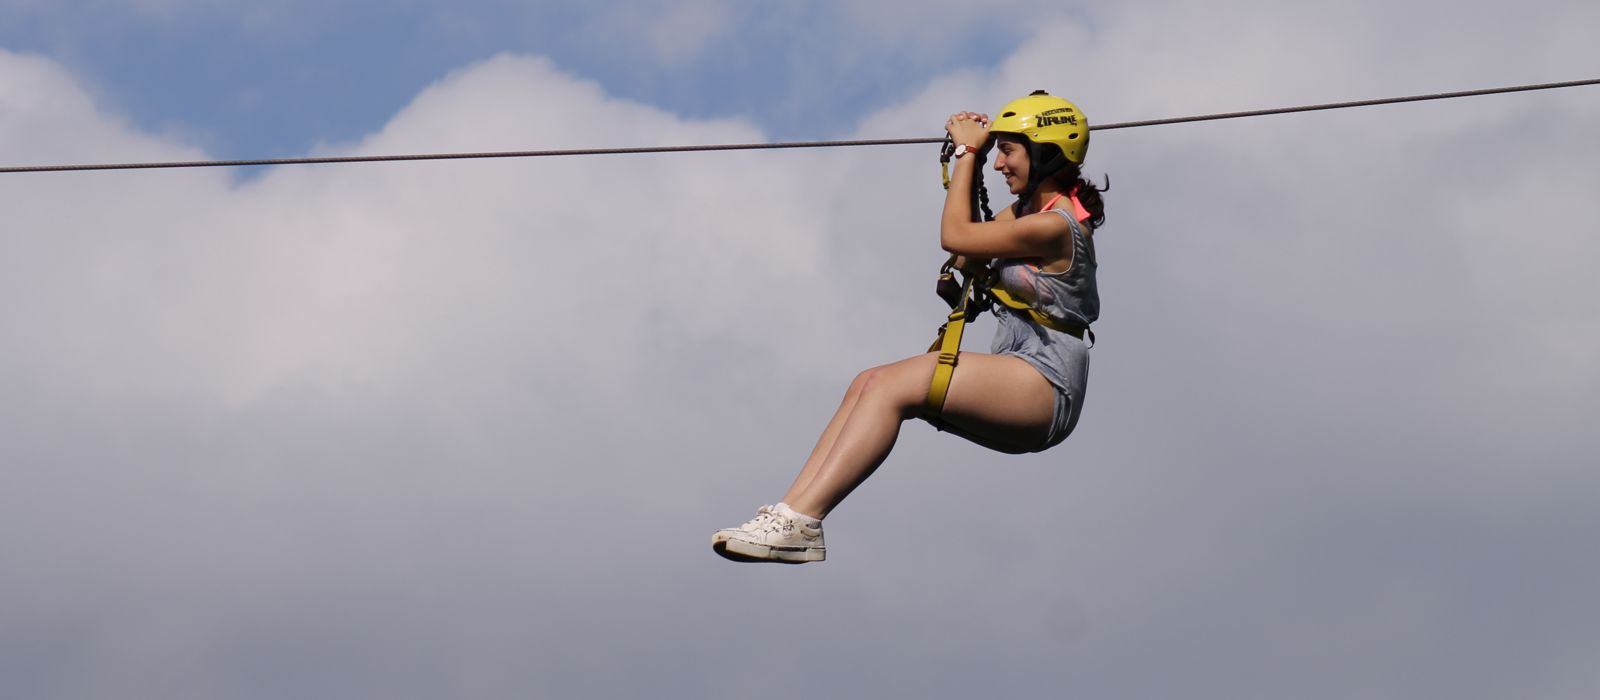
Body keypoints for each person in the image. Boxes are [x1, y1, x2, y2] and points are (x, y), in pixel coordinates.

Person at [712, 90, 1106, 563]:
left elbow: (955, 235)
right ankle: (789, 515)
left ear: (1044, 153)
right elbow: (964, 253)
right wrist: (972, 165)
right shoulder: (1025, 216)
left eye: (1008, 151)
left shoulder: (1058, 226)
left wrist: (967, 152)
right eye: (997, 151)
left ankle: (803, 521)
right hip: (1021, 374)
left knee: (896, 384)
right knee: (871, 382)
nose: (1000, 164)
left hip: (1047, 383)